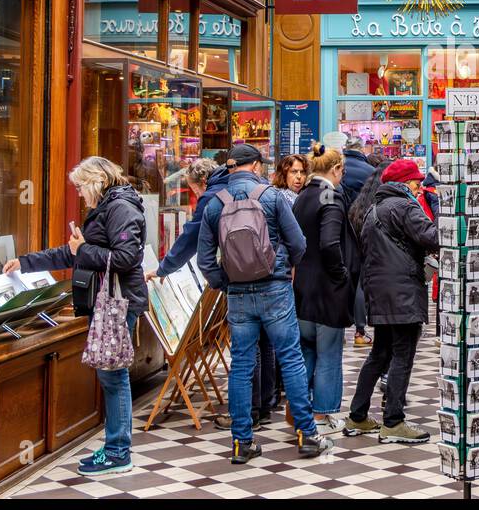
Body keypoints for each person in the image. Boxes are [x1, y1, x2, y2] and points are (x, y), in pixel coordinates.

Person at [8, 157, 145, 476]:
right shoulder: (108, 207)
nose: (80, 193)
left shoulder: (121, 208)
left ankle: (118, 450)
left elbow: (125, 258)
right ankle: (115, 446)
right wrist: (25, 263)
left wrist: (82, 250)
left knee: (114, 375)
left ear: (97, 180)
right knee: (111, 375)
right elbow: (73, 252)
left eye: (81, 186)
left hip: (118, 301)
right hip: (108, 300)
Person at [198, 143, 332, 462]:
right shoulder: (271, 196)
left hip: (238, 294)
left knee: (242, 364)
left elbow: (205, 259)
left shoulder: (215, 203)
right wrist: (284, 269)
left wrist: (225, 281)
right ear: (257, 166)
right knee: (290, 357)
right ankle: (307, 435)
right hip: (275, 288)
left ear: (230, 169)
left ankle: (242, 442)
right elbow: (298, 242)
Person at [147, 156, 273, 431]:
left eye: (194, 191)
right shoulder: (257, 190)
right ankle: (264, 403)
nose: (195, 196)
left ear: (202, 183)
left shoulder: (213, 197)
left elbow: (193, 240)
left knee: (246, 349)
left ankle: (249, 412)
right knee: (265, 342)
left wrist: (166, 269)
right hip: (268, 278)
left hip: (238, 278)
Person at [343, 159, 439, 443]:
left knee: (380, 354)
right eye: (414, 181)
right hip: (403, 293)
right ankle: (393, 422)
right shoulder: (404, 206)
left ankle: (357, 415)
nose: (418, 186)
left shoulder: (374, 209)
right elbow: (433, 237)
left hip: (380, 292)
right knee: (402, 355)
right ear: (403, 183)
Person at [292, 144, 353, 431]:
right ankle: (321, 413)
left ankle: (299, 410)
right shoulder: (330, 195)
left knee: (306, 351)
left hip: (302, 285)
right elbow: (330, 242)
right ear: (336, 169)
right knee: (329, 352)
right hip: (327, 287)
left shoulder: (302, 195)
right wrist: (341, 274)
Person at [339, 135, 376, 348]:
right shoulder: (368, 171)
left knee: (340, 276)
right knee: (360, 279)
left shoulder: (339, 168)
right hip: (360, 229)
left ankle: (339, 326)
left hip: (337, 228)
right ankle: (360, 330)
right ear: (361, 149)